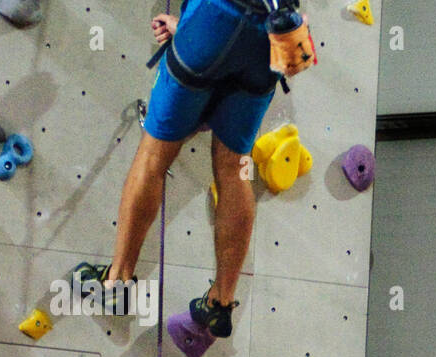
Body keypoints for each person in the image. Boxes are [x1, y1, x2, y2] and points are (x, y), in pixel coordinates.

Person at [76, 0, 309, 338]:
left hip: (215, 18)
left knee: (153, 157)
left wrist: (194, 32)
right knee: (235, 168)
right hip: (270, 40)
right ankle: (221, 303)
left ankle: (117, 282)